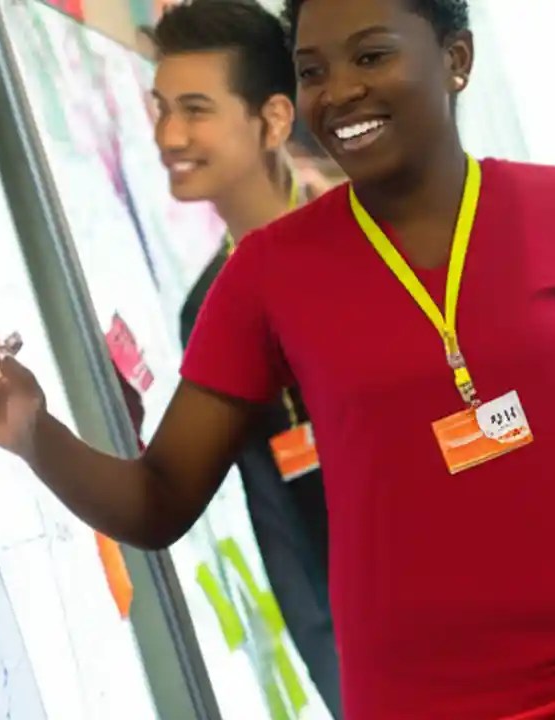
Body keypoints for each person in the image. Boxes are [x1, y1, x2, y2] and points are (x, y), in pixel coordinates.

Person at [0, 0, 555, 717]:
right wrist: (34, 431)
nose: (340, 91)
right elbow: (158, 501)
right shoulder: (264, 277)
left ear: (456, 59)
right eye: (313, 70)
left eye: (371, 56)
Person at [146, 3, 345, 714]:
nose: (169, 135)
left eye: (195, 110)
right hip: (377, 652)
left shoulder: (372, 239)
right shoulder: (208, 310)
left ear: (273, 119)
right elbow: (279, 525)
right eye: (161, 109)